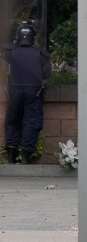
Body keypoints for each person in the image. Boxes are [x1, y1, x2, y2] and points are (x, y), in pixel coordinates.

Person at [3, 23, 51, 164]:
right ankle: (25, 155)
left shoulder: (11, 51)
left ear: (18, 37)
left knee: (13, 120)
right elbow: (47, 74)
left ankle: (11, 153)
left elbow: (6, 46)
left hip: (15, 90)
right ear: (33, 38)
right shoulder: (40, 54)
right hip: (33, 91)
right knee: (32, 122)